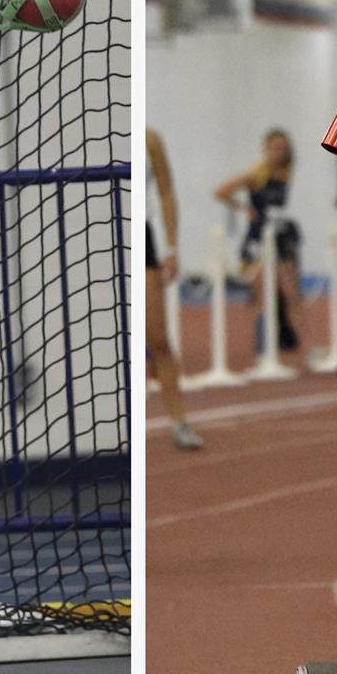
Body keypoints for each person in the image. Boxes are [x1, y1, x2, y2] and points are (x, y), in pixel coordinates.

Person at [215, 130, 302, 357]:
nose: (279, 153)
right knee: (262, 294)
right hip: (258, 240)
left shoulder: (285, 175)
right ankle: (263, 348)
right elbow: (221, 191)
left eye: (283, 148)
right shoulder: (256, 175)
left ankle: (285, 338)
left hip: (279, 238)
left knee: (289, 291)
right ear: (266, 149)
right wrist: (244, 208)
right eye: (274, 148)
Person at [146, 129, 203, 450]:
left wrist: (171, 246)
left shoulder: (150, 138)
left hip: (144, 237)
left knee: (158, 336)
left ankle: (179, 421)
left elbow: (166, 192)